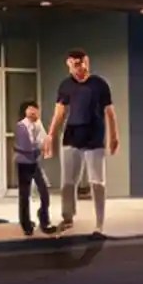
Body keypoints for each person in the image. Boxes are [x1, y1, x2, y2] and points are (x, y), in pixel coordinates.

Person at [43, 48, 119, 237]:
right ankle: (67, 216)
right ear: (68, 66)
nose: (78, 68)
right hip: (71, 137)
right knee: (68, 182)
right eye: (73, 65)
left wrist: (114, 136)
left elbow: (110, 112)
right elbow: (59, 112)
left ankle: (99, 223)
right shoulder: (65, 85)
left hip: (94, 138)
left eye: (80, 63)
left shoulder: (99, 84)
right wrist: (50, 135)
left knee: (97, 182)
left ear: (87, 63)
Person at [13, 101, 56, 236]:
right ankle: (26, 224)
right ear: (25, 111)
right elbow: (25, 146)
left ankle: (44, 219)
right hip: (24, 163)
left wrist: (43, 146)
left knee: (44, 191)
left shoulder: (37, 125)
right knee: (24, 195)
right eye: (30, 110)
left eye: (36, 110)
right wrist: (38, 148)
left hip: (34, 163)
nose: (33, 112)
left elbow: (44, 141)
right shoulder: (21, 126)